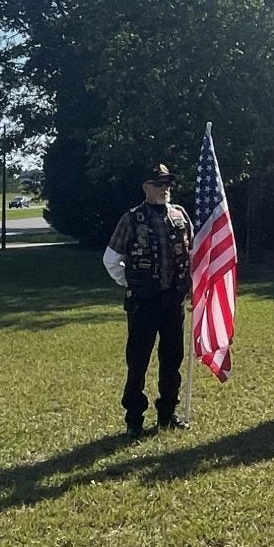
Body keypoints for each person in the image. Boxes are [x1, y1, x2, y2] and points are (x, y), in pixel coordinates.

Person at [103, 163, 194, 436]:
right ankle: (134, 419)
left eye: (167, 183)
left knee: (172, 360)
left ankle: (168, 413)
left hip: (173, 302)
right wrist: (130, 281)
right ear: (146, 187)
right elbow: (111, 259)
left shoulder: (179, 215)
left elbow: (193, 252)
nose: (165, 188)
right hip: (143, 304)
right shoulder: (131, 219)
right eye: (159, 184)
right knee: (138, 362)